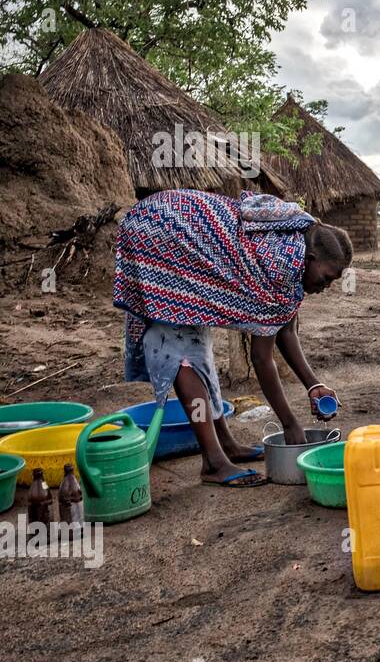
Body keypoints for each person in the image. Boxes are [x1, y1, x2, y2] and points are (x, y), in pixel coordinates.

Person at [114, 189, 350, 487]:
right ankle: (213, 463)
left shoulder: (295, 256)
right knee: (179, 347)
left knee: (198, 342)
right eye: (327, 277)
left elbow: (285, 330)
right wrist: (290, 424)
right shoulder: (279, 265)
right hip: (162, 232)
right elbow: (261, 358)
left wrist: (314, 385)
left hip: (177, 230)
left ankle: (225, 444)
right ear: (311, 259)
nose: (327, 286)